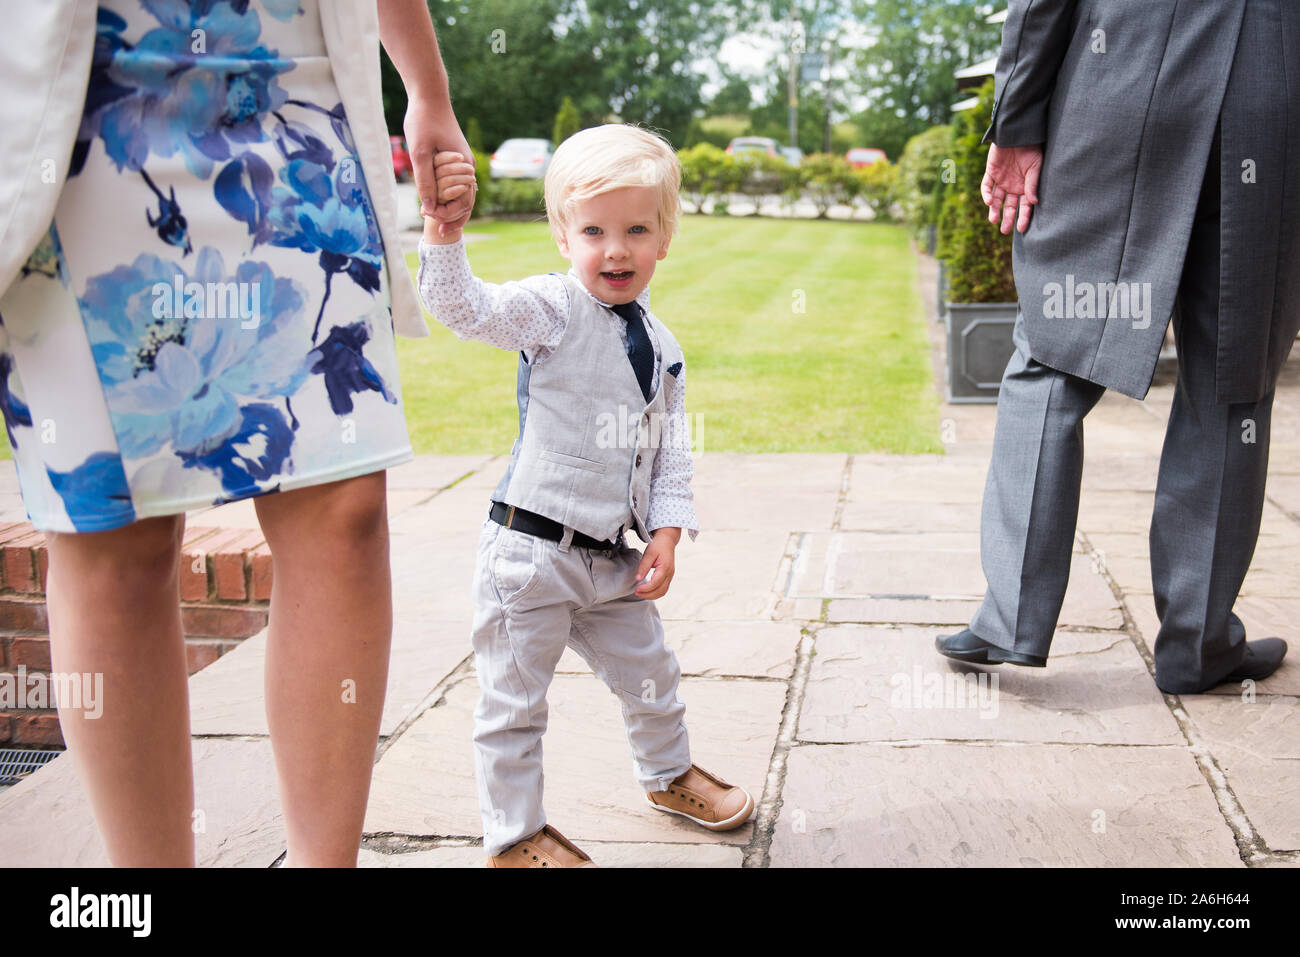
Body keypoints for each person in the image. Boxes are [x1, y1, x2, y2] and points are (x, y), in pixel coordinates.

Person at [0, 0, 473, 866]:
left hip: (292, 88)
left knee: (345, 511)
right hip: (77, 101)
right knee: (114, 536)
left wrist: (427, 87)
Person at [418, 126, 755, 868]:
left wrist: (665, 532)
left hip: (612, 562)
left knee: (653, 673)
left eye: (638, 229)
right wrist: (445, 236)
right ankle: (514, 836)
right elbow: (464, 309)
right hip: (530, 554)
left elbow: (670, 449)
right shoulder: (551, 309)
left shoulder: (664, 347)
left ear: (664, 236)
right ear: (562, 234)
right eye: (595, 230)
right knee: (513, 704)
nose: (616, 250)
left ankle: (669, 775)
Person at [936, 0, 1297, 694]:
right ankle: (1198, 645)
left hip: (1124, 70)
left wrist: (1015, 119)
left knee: (1051, 356)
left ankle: (1010, 619)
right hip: (1271, 87)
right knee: (1235, 373)